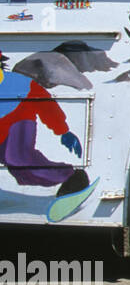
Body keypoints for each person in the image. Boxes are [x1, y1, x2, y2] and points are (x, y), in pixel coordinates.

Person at [0, 50, 94, 219]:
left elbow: (47, 106)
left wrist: (63, 131)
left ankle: (72, 178)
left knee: (18, 160)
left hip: (18, 123)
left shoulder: (20, 84)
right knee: (19, 168)